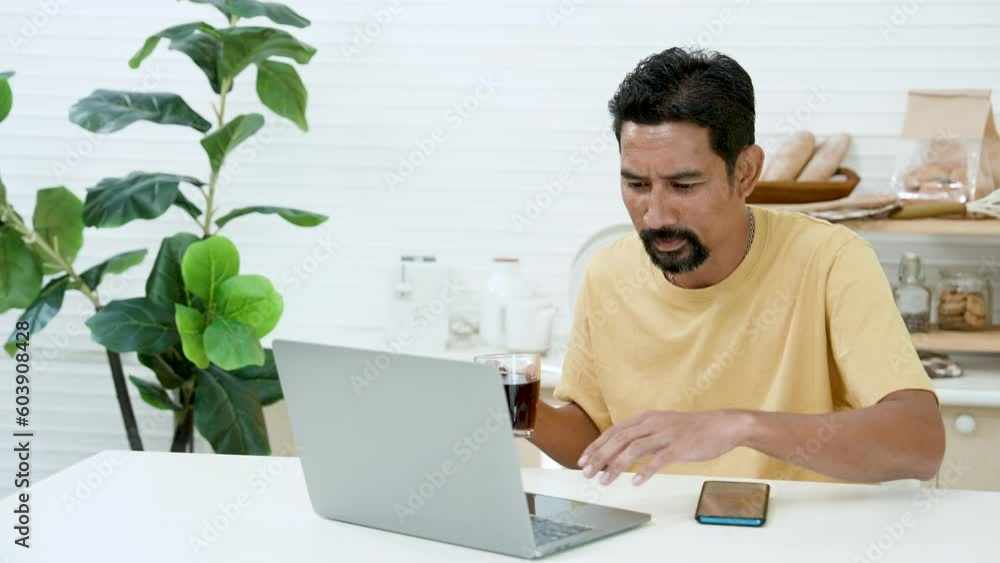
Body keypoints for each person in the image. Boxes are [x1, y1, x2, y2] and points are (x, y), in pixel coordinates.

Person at [529, 47, 944, 486]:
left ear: (745, 171)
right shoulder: (608, 272)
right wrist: (513, 407)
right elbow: (594, 443)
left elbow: (920, 443)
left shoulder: (830, 260)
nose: (655, 216)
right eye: (636, 184)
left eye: (683, 185)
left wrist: (740, 427)